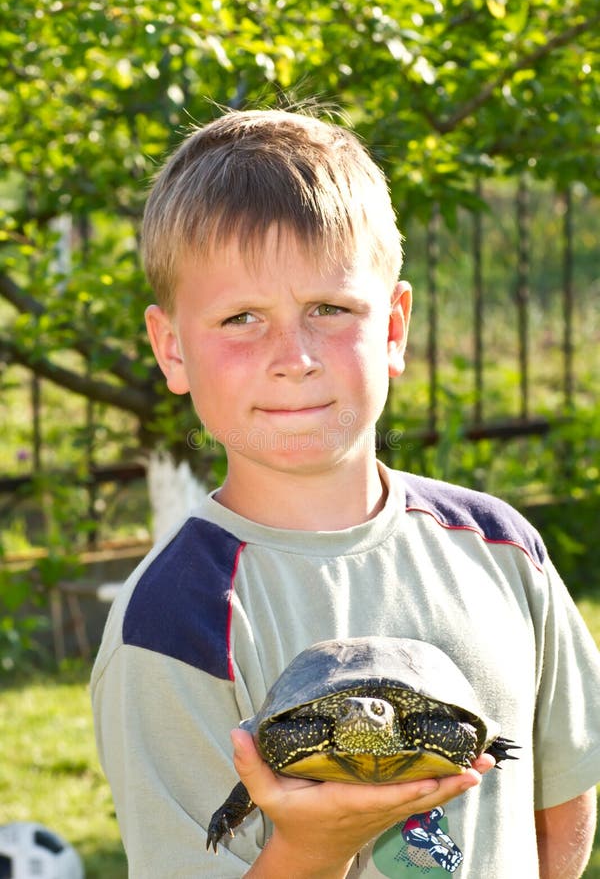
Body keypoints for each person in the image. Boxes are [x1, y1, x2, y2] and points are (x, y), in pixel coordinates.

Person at [91, 107, 600, 879]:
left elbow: (562, 791)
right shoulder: (172, 620)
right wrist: (314, 846)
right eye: (241, 318)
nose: (293, 357)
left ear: (394, 327)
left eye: (330, 310)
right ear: (172, 349)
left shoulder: (501, 549)